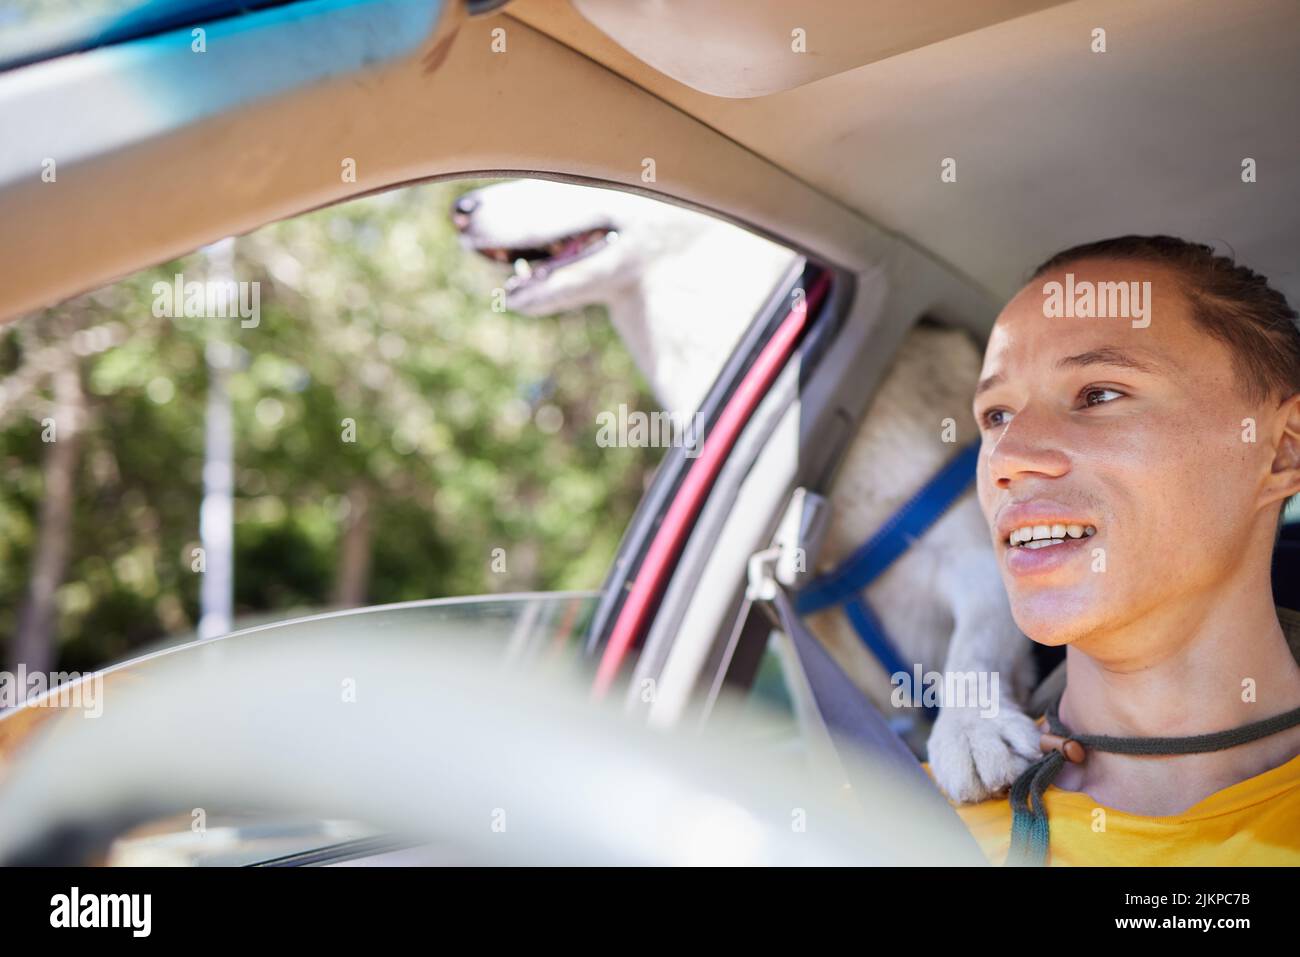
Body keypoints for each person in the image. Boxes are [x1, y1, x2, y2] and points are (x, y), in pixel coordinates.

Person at [952, 235, 1300, 865]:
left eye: (1099, 394)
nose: (1007, 458)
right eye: (996, 416)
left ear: (1282, 450)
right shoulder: (886, 829)